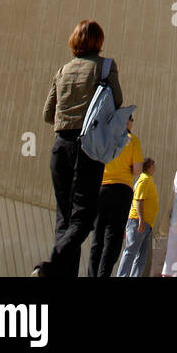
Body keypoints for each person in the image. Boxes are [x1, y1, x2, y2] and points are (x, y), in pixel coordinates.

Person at [34, 19, 123, 278]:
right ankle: (49, 266)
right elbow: (117, 101)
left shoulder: (62, 70)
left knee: (64, 219)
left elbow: (48, 114)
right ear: (99, 41)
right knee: (84, 218)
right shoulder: (105, 67)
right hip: (87, 148)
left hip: (60, 146)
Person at [88, 109, 143, 277]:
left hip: (102, 188)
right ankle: (103, 274)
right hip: (122, 190)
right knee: (113, 238)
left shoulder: (106, 136)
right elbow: (137, 170)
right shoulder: (132, 140)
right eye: (131, 119)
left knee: (97, 237)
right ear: (127, 122)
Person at [116, 157, 158, 277]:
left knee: (142, 257)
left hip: (147, 223)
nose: (154, 167)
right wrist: (141, 219)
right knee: (130, 252)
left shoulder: (148, 180)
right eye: (153, 165)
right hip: (138, 221)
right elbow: (138, 200)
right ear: (149, 167)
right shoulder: (143, 180)